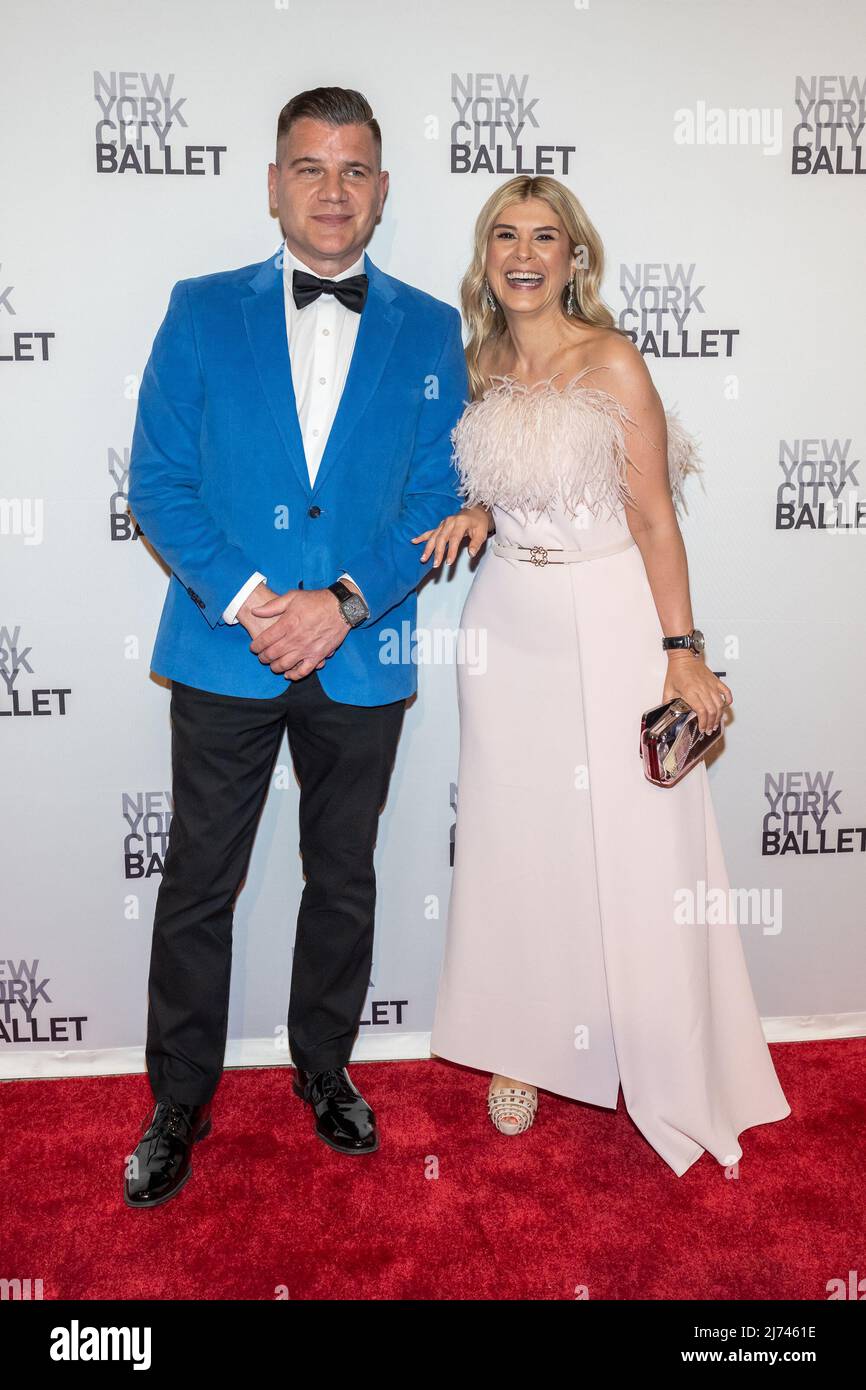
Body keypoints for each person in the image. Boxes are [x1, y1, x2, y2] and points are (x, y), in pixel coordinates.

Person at [124, 87, 468, 1207]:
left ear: (380, 191)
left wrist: (346, 601)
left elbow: (436, 488)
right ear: (272, 184)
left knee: (345, 878)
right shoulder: (196, 309)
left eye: (354, 169)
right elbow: (160, 486)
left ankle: (324, 1070)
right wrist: (263, 599)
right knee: (198, 884)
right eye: (308, 168)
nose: (332, 190)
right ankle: (178, 1096)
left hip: (361, 654)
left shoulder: (428, 327)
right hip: (228, 648)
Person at [420, 175, 790, 1176]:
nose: (524, 252)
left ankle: (662, 1051)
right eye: (505, 234)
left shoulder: (612, 362)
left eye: (546, 236)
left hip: (612, 615)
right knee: (514, 841)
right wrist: (479, 515)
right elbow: (520, 479)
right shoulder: (479, 361)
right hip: (505, 620)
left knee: (637, 843)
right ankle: (521, 1045)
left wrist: (682, 650)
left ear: (574, 257)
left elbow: (650, 518)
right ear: (485, 255)